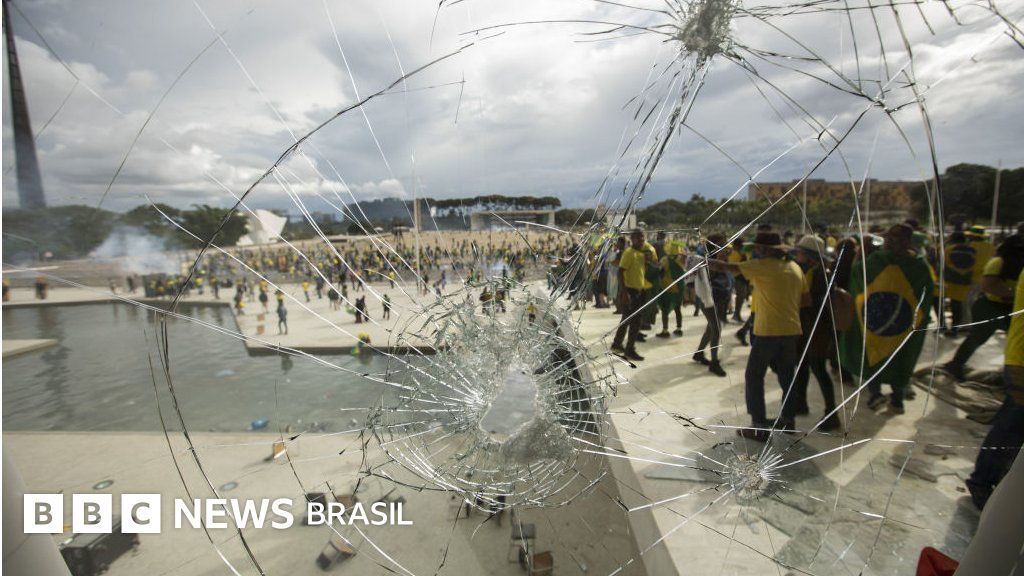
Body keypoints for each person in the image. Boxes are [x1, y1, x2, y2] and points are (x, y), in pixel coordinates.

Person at [710, 231, 805, 440]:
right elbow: (805, 300)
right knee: (787, 376)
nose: (754, 251)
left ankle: (759, 426)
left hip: (768, 331)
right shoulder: (795, 268)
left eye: (757, 248)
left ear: (765, 249)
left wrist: (711, 258)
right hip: (791, 330)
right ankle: (788, 420)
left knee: (754, 376)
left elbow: (724, 268)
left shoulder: (763, 266)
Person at [841, 223, 934, 415]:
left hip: (876, 321)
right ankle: (897, 400)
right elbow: (926, 295)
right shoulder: (919, 266)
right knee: (900, 357)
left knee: (873, 355)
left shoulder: (876, 260)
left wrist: (863, 251)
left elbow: (857, 273)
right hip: (903, 324)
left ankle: (875, 395)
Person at [964, 269, 1024, 510]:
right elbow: (988, 283)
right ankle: (982, 481)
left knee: (1011, 422)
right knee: (1012, 426)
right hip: (1021, 362)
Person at [943, 234, 1024, 380]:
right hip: (989, 307)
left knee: (1017, 341)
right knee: (977, 338)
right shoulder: (999, 262)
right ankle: (955, 365)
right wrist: (1014, 294)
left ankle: (1012, 374)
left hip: (1010, 308)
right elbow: (988, 285)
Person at [791, 235, 840, 431]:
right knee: (802, 365)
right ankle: (801, 403)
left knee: (819, 369)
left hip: (818, 329)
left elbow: (816, 303)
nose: (797, 255)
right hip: (807, 327)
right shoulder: (811, 270)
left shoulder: (821, 274)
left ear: (809, 255)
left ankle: (832, 413)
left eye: (800, 252)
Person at [611, 229, 652, 362]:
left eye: (642, 239)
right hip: (630, 291)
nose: (641, 241)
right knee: (634, 322)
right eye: (638, 239)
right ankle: (629, 349)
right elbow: (620, 272)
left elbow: (639, 271)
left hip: (639, 290)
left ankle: (617, 344)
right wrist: (624, 293)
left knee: (627, 319)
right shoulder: (629, 253)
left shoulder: (639, 254)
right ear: (632, 239)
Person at [693, 235, 729, 377]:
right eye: (722, 244)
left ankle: (699, 354)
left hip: (719, 297)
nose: (725, 247)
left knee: (711, 328)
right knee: (716, 329)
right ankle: (714, 362)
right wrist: (720, 258)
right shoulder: (705, 258)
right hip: (708, 299)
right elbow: (708, 276)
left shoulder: (721, 257)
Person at [941, 231, 974, 337]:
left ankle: (944, 326)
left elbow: (943, 264)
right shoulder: (973, 250)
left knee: (939, 301)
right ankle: (954, 329)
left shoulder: (948, 249)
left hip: (950, 281)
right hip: (964, 282)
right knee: (957, 305)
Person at [655, 241, 685, 338]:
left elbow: (660, 272)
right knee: (678, 309)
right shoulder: (681, 260)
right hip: (679, 288)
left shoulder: (665, 260)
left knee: (664, 310)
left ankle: (665, 330)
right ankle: (679, 329)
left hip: (668, 287)